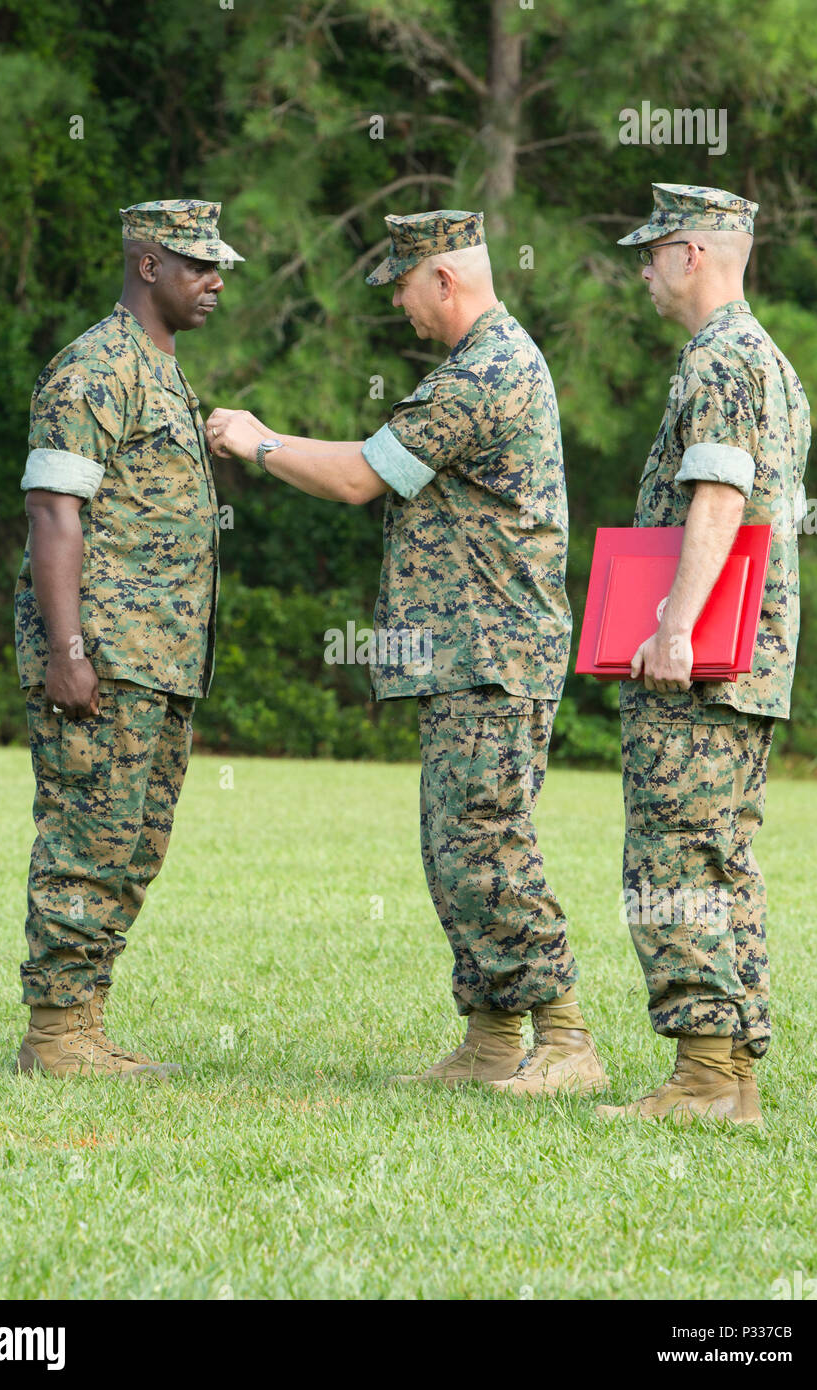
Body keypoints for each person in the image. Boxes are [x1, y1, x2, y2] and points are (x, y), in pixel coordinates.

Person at [205, 209, 606, 1096]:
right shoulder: (482, 364)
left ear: (446, 280)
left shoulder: (485, 372)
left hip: (492, 654)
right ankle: (495, 1037)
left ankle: (567, 1039)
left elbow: (358, 477)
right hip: (470, 653)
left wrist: (259, 442)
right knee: (452, 843)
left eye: (402, 285)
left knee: (486, 841)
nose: (397, 303)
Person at [596, 184, 810, 1126]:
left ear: (692, 254)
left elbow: (719, 499)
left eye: (652, 252)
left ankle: (703, 1079)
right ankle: (729, 1075)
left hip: (709, 663)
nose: (642, 270)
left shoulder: (720, 358)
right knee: (721, 858)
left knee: (674, 859)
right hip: (753, 662)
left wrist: (675, 628)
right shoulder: (770, 361)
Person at [14, 199, 242, 1077]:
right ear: (148, 265)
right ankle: (56, 1034)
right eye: (198, 264)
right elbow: (51, 508)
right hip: (105, 656)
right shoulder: (94, 368)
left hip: (159, 661)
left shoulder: (160, 368)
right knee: (87, 836)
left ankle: (83, 1019)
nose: (216, 280)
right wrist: (69, 651)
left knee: (134, 841)